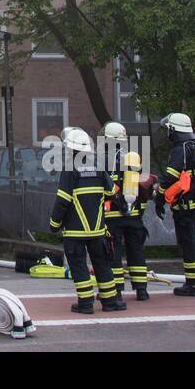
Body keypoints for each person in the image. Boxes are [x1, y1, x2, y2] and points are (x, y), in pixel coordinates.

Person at [50, 127, 125, 313]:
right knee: (102, 264)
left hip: (75, 231)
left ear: (71, 148)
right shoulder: (98, 165)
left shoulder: (70, 168)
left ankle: (85, 304)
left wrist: (54, 224)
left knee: (79, 266)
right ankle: (110, 302)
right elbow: (112, 192)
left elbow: (62, 200)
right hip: (98, 231)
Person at [157, 112, 195, 296]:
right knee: (189, 243)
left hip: (185, 208)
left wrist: (160, 197)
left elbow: (171, 176)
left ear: (173, 130)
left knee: (188, 245)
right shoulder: (194, 146)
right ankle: (194, 282)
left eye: (168, 130)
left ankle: (194, 285)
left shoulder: (180, 149)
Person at [102, 122, 149, 301]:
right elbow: (143, 189)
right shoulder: (134, 158)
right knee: (136, 251)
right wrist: (139, 213)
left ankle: (117, 291)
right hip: (134, 216)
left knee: (114, 253)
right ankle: (142, 290)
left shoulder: (103, 159)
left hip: (112, 216)